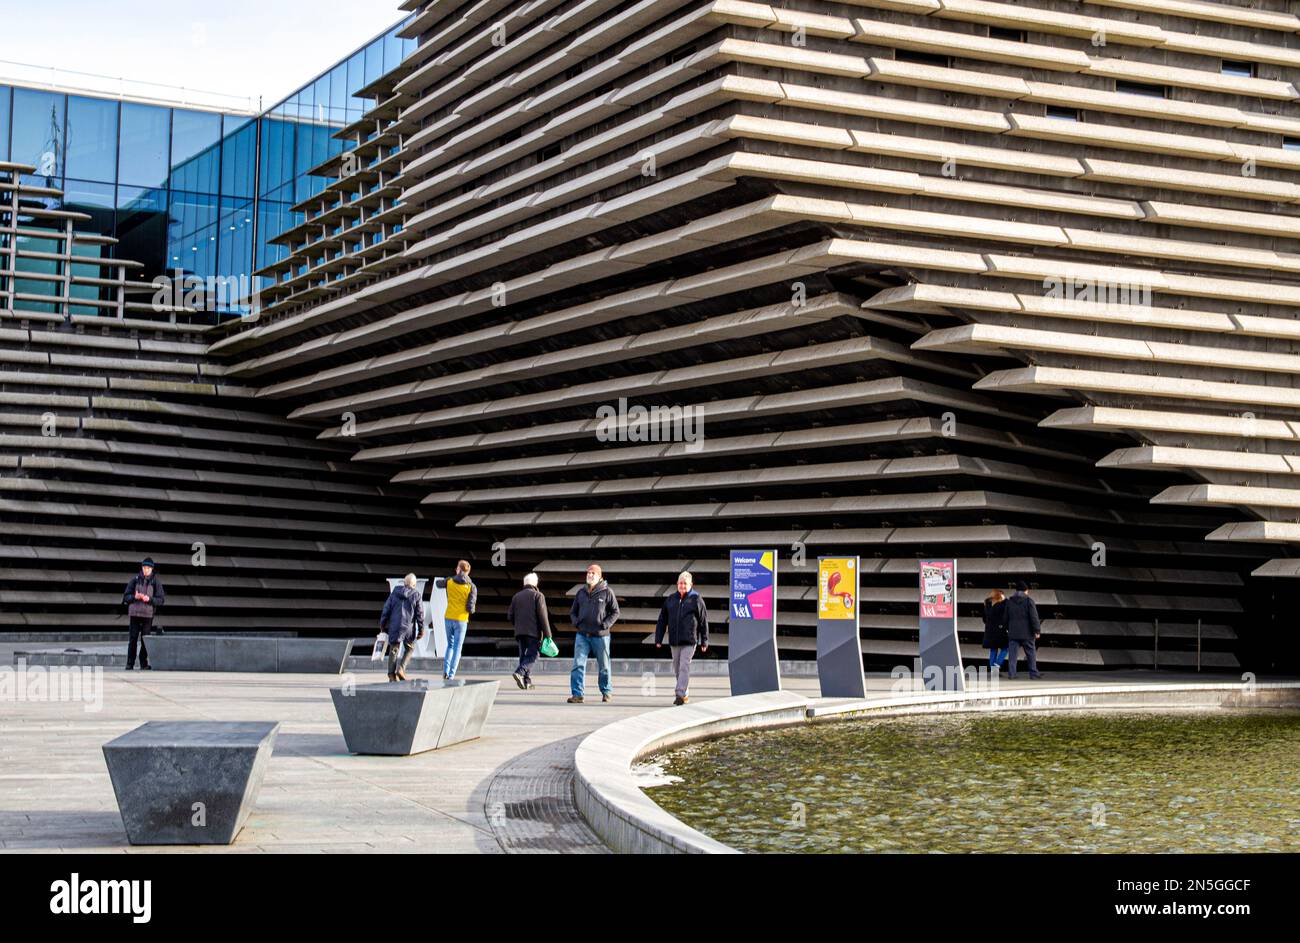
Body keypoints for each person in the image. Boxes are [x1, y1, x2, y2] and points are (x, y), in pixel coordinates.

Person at [655, 571, 709, 705]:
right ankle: (685, 692)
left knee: (684, 665)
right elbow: (662, 619)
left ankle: (679, 694)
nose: (682, 586)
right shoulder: (671, 599)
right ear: (677, 584)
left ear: (691, 584)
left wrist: (704, 640)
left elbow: (703, 621)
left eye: (685, 583)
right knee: (677, 667)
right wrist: (658, 638)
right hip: (674, 640)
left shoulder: (696, 599)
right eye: (680, 583)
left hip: (689, 641)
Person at [568, 563, 619, 703]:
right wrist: (576, 623)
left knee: (604, 666)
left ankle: (606, 691)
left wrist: (605, 625)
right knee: (578, 664)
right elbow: (573, 612)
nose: (590, 575)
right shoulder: (581, 592)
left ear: (600, 577)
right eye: (588, 573)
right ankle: (577, 694)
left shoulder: (607, 592)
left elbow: (615, 612)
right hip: (582, 635)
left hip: (601, 636)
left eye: (593, 573)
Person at [507, 572, 551, 690]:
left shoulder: (516, 596)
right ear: (535, 583)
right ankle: (520, 672)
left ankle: (527, 681)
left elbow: (510, 615)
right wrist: (548, 635)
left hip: (519, 632)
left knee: (523, 656)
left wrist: (518, 625)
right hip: (533, 632)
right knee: (534, 655)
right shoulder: (538, 595)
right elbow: (543, 616)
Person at [122, 557, 165, 671]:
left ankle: (143, 663)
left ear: (152, 569)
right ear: (142, 568)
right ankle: (129, 663)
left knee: (145, 640)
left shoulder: (156, 582)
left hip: (147, 615)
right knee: (133, 639)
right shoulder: (134, 580)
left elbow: (161, 599)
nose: (146, 570)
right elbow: (126, 597)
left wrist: (149, 599)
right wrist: (134, 597)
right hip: (135, 614)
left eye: (148, 568)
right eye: (144, 567)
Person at [381, 573, 425, 682]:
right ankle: (401, 669)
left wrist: (382, 624)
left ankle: (391, 675)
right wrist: (421, 629)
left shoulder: (394, 593)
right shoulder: (416, 595)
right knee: (409, 648)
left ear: (404, 583)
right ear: (414, 585)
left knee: (394, 650)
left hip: (395, 626)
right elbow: (420, 614)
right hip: (408, 628)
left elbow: (386, 609)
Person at [443, 560, 477, 680]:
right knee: (458, 648)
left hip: (448, 617)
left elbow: (438, 584)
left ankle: (445, 672)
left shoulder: (449, 581)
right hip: (461, 619)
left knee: (450, 646)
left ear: (459, 570)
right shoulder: (471, 587)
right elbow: (471, 608)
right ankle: (451, 675)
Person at [1004, 580, 1043, 680]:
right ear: (1025, 590)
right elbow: (1034, 617)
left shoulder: (1009, 602)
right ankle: (1033, 673)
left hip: (1013, 633)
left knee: (1012, 655)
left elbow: (1005, 618)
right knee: (1031, 654)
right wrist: (1037, 630)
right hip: (1027, 633)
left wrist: (1007, 628)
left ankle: (1012, 674)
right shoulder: (1029, 601)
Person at [981, 589, 1009, 670]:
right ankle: (997, 664)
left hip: (989, 632)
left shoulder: (987, 605)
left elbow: (984, 619)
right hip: (999, 631)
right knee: (1006, 648)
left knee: (993, 650)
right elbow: (1007, 605)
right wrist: (1005, 598)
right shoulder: (1001, 605)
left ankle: (993, 670)